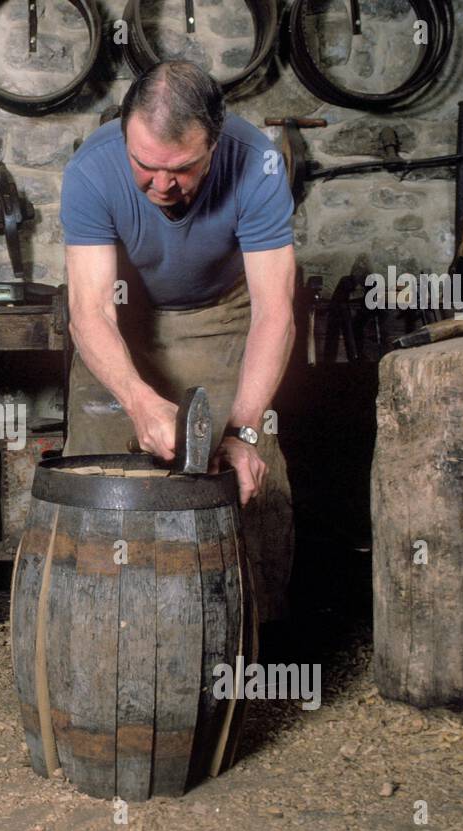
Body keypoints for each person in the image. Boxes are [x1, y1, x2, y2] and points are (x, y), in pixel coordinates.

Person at [59, 59, 296, 621]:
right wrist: (139, 403)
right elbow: (89, 312)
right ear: (125, 135)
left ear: (215, 142)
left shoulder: (258, 163)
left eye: (183, 169)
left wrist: (243, 432)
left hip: (223, 319)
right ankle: (101, 629)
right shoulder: (90, 170)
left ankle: (251, 639)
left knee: (252, 479)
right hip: (125, 324)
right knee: (94, 478)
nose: (162, 185)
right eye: (145, 166)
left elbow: (274, 313)